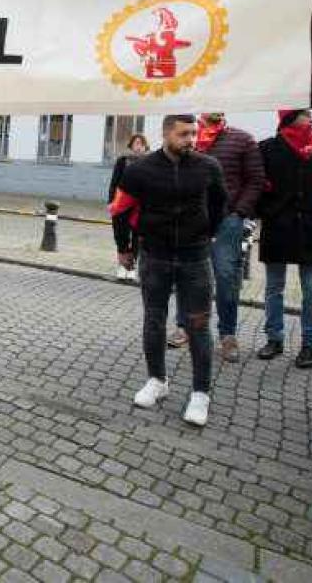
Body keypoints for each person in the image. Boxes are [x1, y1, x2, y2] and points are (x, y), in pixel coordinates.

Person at [111, 114, 227, 427]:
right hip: (154, 256)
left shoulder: (208, 167)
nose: (190, 140)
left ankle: (201, 393)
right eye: (183, 134)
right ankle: (157, 381)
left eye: (193, 133)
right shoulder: (140, 170)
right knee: (154, 320)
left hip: (195, 258)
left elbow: (220, 204)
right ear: (165, 134)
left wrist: (207, 233)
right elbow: (119, 210)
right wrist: (124, 248)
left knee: (198, 325)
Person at [256, 110, 312, 368]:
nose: (310, 119)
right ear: (290, 120)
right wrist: (267, 212)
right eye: (305, 116)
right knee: (274, 287)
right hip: (278, 228)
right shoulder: (267, 148)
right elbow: (257, 184)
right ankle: (274, 338)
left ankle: (310, 344)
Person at [188, 112, 265, 361]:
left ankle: (227, 335)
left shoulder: (242, 139)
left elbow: (256, 180)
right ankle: (187, 327)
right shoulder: (188, 136)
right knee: (189, 275)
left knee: (226, 276)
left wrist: (239, 212)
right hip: (191, 218)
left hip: (227, 220)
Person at [108, 133, 150, 281]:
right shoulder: (123, 161)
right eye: (136, 143)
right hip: (122, 204)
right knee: (121, 236)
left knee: (137, 238)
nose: (138, 146)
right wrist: (111, 202)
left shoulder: (149, 162)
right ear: (131, 145)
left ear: (145, 146)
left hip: (140, 206)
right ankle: (122, 265)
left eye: (141, 143)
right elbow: (114, 182)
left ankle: (131, 267)